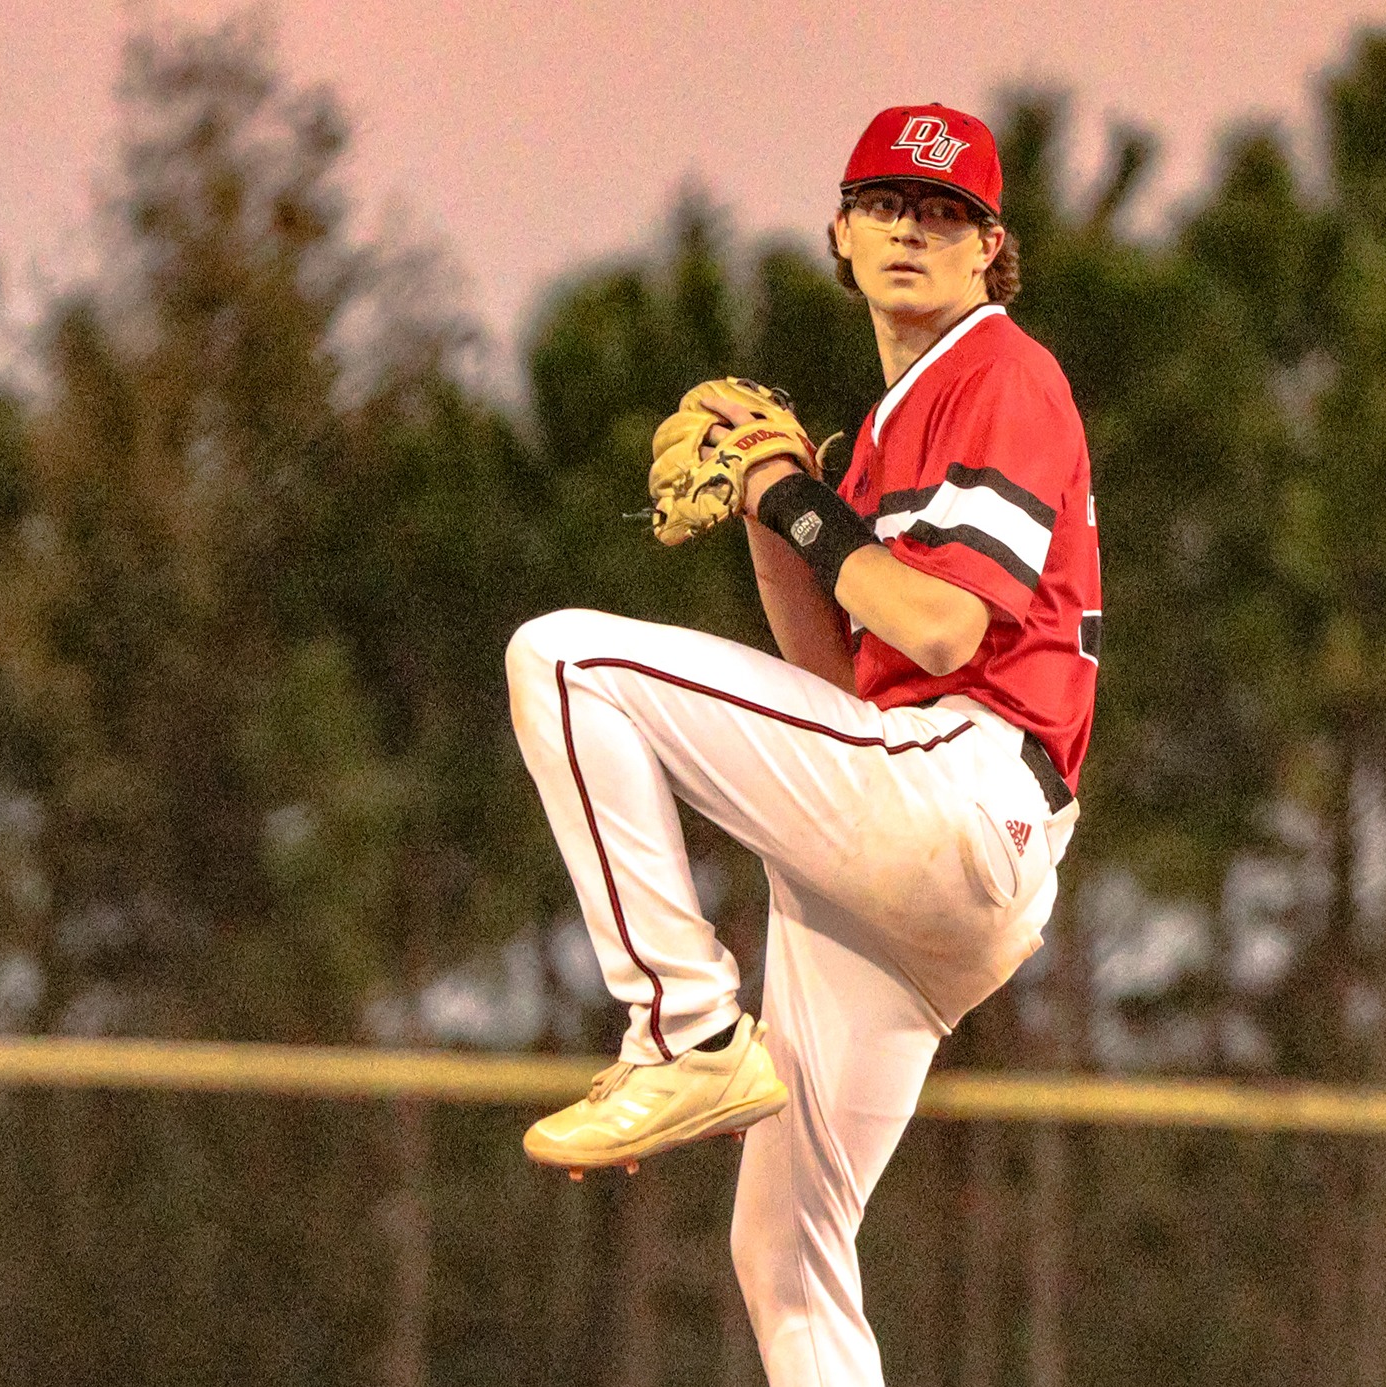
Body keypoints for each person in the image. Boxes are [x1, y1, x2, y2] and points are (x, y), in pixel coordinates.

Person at [504, 102, 1100, 1385]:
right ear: (841, 232)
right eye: (886, 204)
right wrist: (775, 524)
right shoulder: (886, 429)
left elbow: (940, 627)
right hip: (921, 837)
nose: (911, 229)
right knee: (785, 1255)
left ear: (992, 249)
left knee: (563, 658)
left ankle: (683, 1028)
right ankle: (693, 1037)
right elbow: (840, 690)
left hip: (962, 788)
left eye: (944, 212)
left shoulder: (1001, 371)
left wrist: (791, 493)